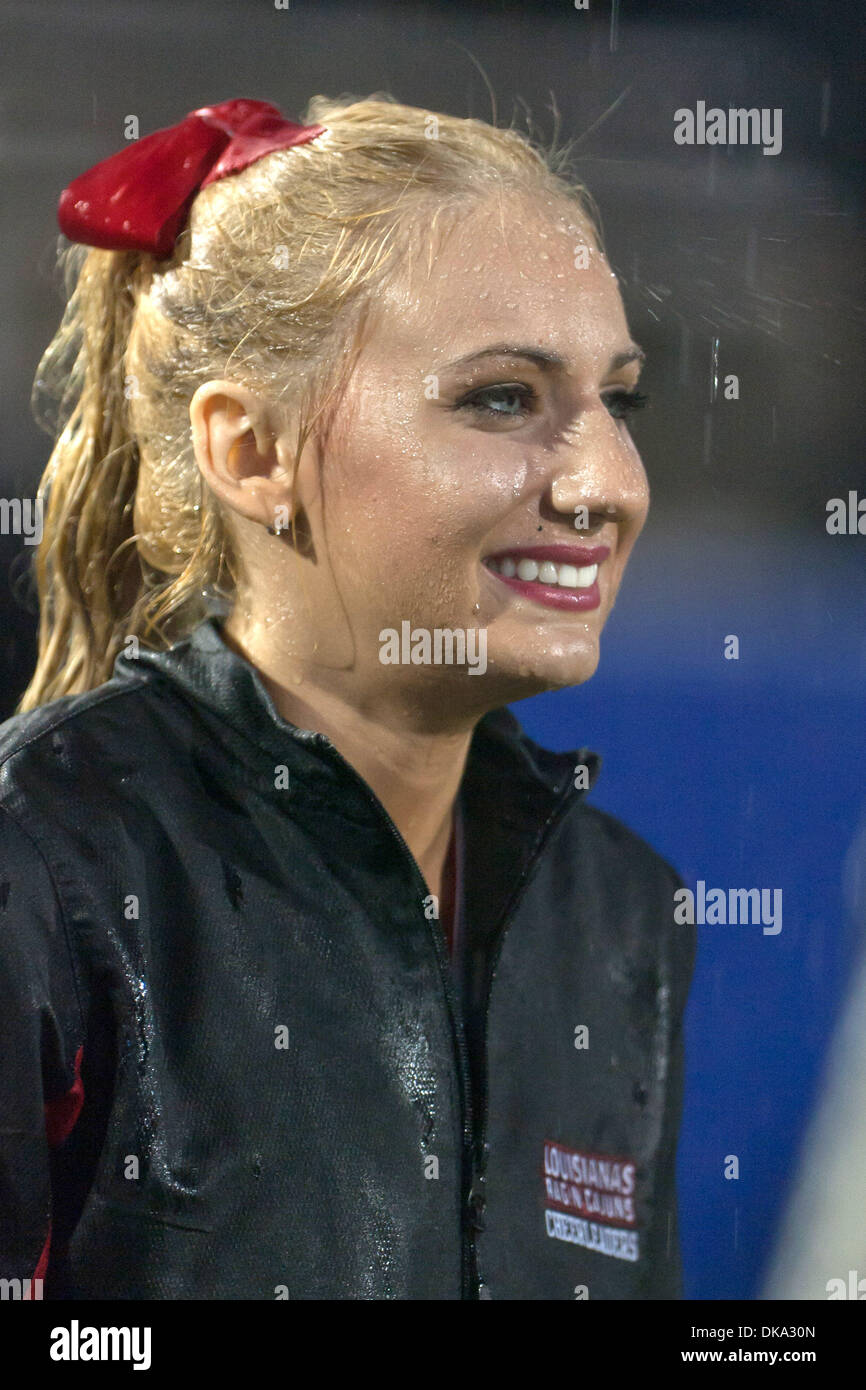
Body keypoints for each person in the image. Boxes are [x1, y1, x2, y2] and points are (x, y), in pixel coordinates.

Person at [0, 95, 695, 1299]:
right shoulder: (43, 863)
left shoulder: (618, 910)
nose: (606, 485)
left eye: (615, 400)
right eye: (500, 398)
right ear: (252, 453)